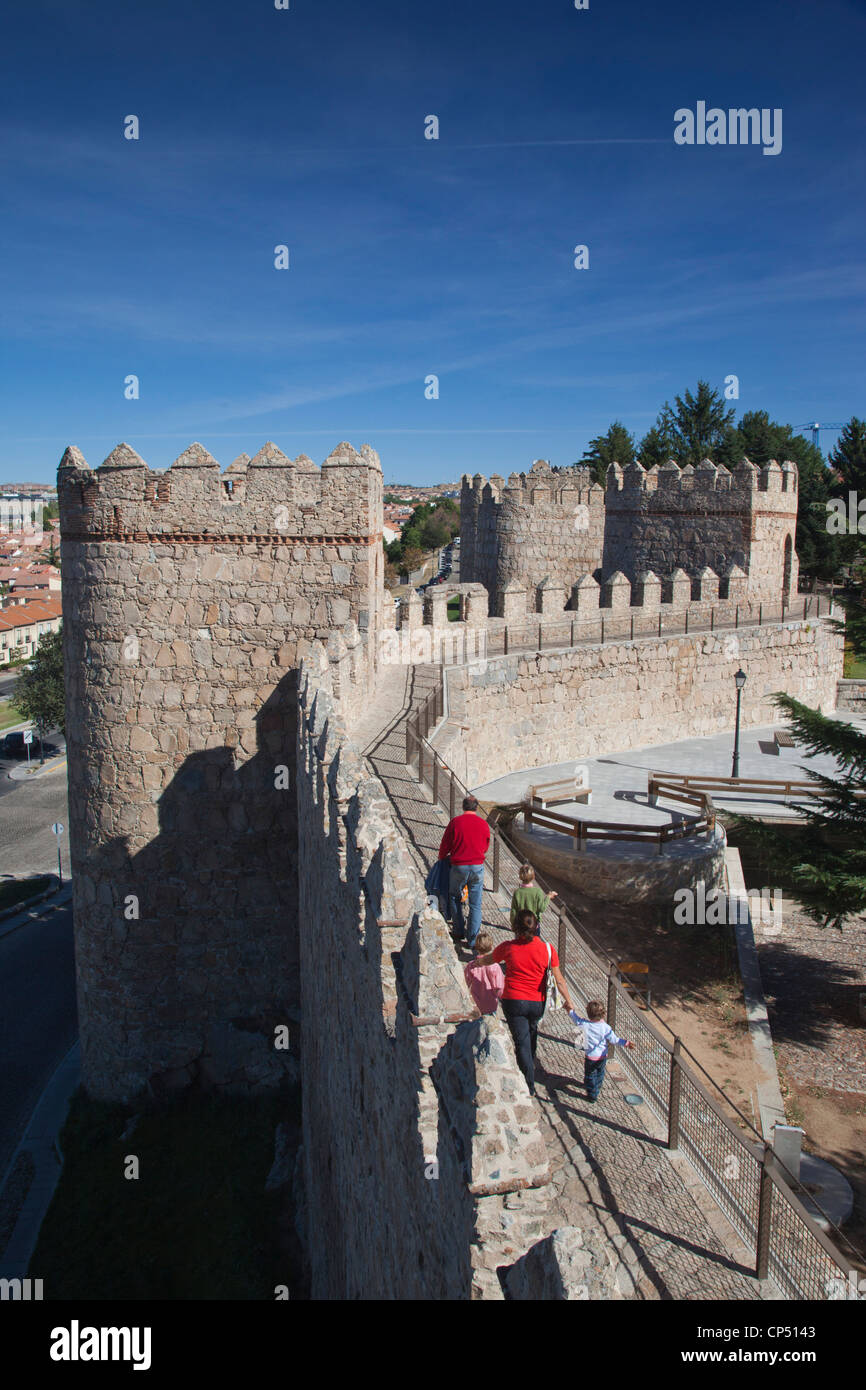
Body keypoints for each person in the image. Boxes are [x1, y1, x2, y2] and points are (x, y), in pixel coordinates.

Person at [474, 909, 575, 1096]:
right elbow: (559, 979)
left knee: (521, 1043)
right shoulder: (548, 949)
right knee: (531, 1033)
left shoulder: (508, 947)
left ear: (515, 928)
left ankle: (528, 1085)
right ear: (536, 926)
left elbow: (489, 959)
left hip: (514, 1000)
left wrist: (478, 964)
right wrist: (569, 1002)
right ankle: (530, 1062)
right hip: (537, 1002)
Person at [438, 795, 490, 950]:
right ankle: (473, 939)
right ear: (476, 807)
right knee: (475, 903)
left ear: (463, 807)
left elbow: (445, 844)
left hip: (459, 866)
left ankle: (459, 930)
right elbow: (486, 845)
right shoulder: (483, 824)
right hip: (477, 866)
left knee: (454, 896)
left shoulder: (456, 823)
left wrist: (442, 857)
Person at [569, 1000, 635, 1103]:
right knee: (600, 1072)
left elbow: (575, 1019)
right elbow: (614, 1040)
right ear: (604, 1014)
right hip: (602, 1056)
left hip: (590, 1056)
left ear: (588, 1013)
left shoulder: (585, 1024)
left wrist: (570, 1010)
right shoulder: (606, 1028)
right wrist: (626, 1043)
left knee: (589, 1075)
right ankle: (597, 1086)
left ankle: (592, 1094)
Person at [463, 930, 505, 1015]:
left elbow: (465, 983)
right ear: (491, 947)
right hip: (491, 1004)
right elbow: (499, 987)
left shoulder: (471, 965)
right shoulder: (495, 967)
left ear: (477, 948)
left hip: (476, 1002)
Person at [510, 862, 557, 930]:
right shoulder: (538, 892)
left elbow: (513, 911)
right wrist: (548, 897)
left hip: (520, 925)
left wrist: (513, 924)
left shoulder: (517, 892)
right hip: (533, 925)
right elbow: (542, 908)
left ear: (520, 877)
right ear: (533, 877)